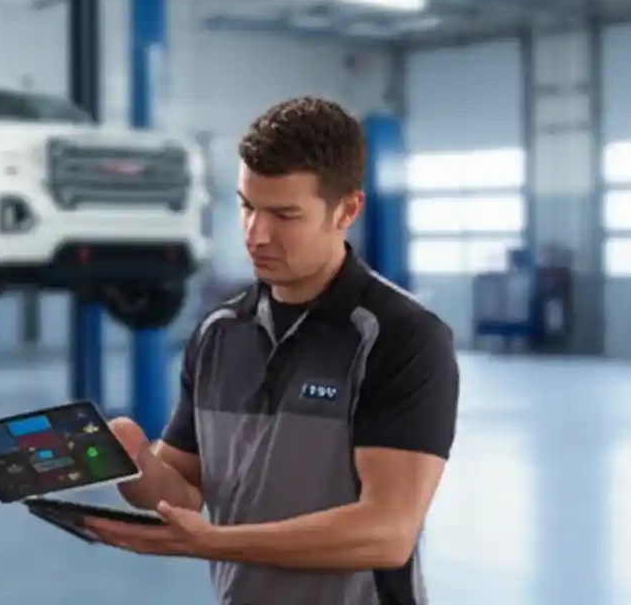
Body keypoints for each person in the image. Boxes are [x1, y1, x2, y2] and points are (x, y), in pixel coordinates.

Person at [83, 96, 460, 604]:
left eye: (284, 215)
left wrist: (214, 544)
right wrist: (133, 464)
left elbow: (386, 532)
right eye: (246, 206)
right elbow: (183, 492)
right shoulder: (218, 333)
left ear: (347, 209)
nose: (256, 235)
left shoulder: (401, 336)